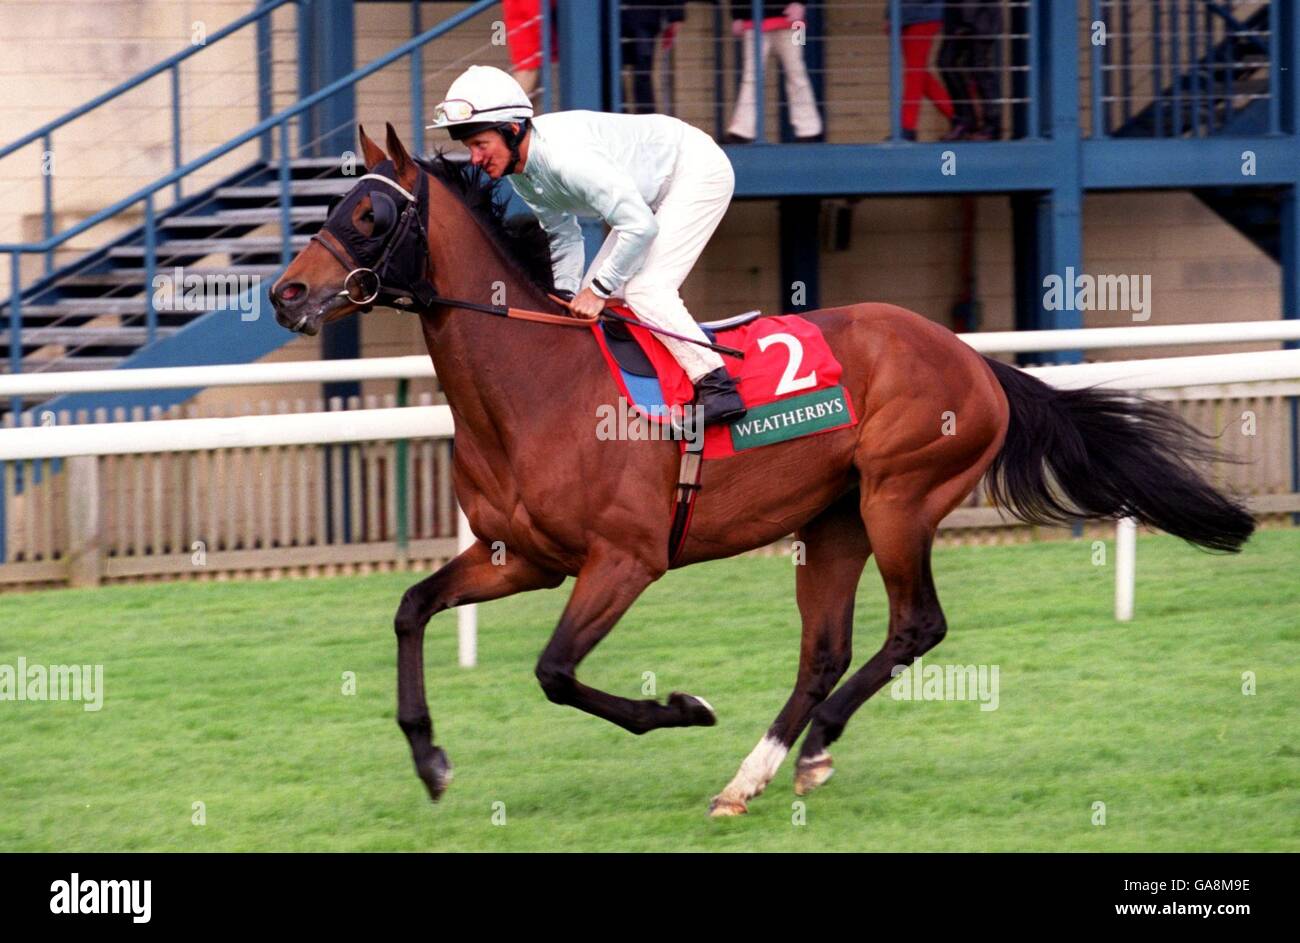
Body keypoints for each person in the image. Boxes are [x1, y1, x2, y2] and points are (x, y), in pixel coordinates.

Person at [429, 65, 747, 427]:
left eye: (480, 144)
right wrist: (563, 298)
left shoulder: (567, 160)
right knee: (592, 299)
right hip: (654, 193)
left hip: (696, 170)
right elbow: (564, 236)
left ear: (512, 129)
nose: (474, 158)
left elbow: (640, 227)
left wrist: (597, 289)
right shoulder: (523, 175)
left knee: (645, 291)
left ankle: (717, 385)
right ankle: (645, 386)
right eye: (469, 147)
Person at [722, 2, 824, 143]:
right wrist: (737, 14)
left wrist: (801, 3)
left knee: (795, 73)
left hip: (792, 23)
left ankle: (742, 131)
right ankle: (809, 130)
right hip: (769, 22)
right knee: (793, 74)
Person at [885, 0, 957, 141]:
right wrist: (889, 14)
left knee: (914, 72)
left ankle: (907, 127)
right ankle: (957, 115)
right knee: (918, 73)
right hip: (902, 16)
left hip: (925, 15)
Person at [937, 0, 1004, 140]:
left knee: (978, 68)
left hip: (979, 16)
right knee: (946, 63)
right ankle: (966, 120)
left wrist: (967, 20)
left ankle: (992, 125)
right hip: (958, 16)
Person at [622, 0, 687, 115]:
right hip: (637, 16)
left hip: (642, 16)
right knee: (621, 74)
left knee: (641, 73)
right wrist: (676, 16)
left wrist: (676, 16)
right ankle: (624, 119)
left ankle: (644, 119)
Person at [502, 0, 557, 100]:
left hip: (529, 21)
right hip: (529, 25)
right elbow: (532, 8)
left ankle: (517, 112)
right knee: (528, 70)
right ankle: (511, 112)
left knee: (533, 80)